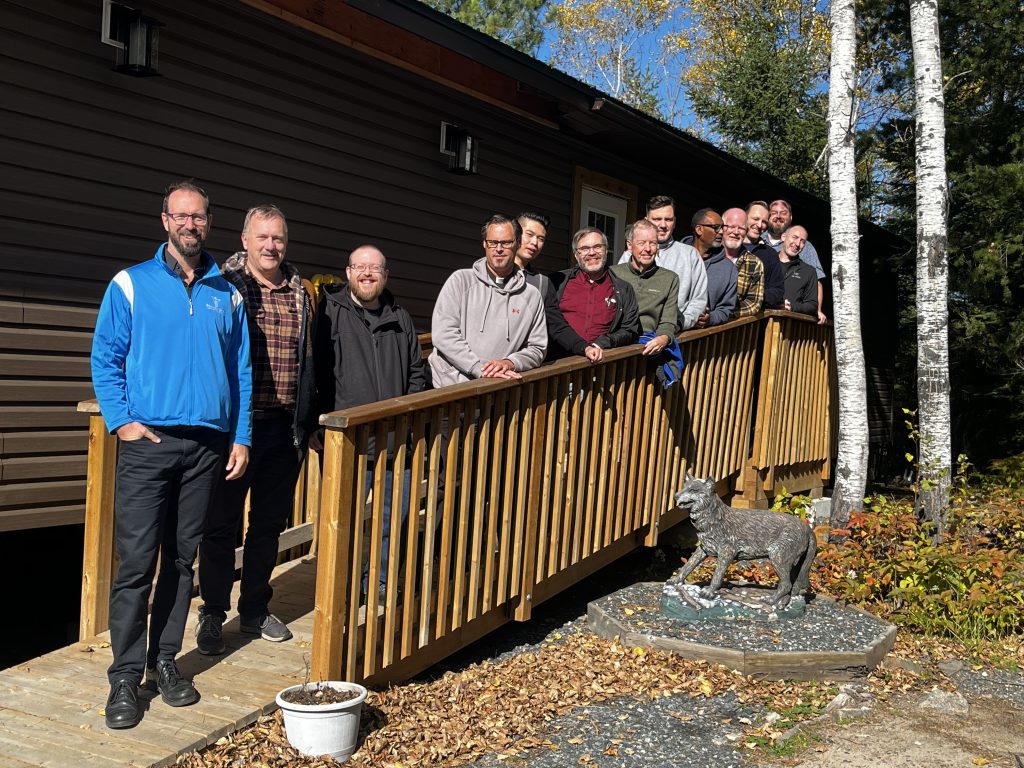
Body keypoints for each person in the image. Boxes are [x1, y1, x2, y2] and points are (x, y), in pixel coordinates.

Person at [90, 180, 252, 729]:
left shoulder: (225, 292)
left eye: (199, 217)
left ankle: (165, 662)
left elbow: (242, 372)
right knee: (136, 565)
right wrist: (122, 422)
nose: (191, 225)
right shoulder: (130, 284)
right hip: (149, 444)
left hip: (206, 446)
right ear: (165, 220)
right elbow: (105, 358)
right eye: (181, 216)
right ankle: (124, 677)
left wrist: (241, 435)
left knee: (182, 562)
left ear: (209, 223)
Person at [196, 205, 317, 655]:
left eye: (279, 239)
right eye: (263, 238)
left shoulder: (301, 293)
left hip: (283, 429)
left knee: (267, 526)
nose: (271, 246)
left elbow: (311, 360)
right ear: (244, 240)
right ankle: (211, 612)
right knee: (220, 525)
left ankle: (253, 609)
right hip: (233, 429)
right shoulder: (224, 287)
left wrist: (308, 420)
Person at [313, 245, 428, 601]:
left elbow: (416, 375)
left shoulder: (401, 318)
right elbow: (315, 371)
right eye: (360, 267)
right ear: (347, 272)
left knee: (395, 520)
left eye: (374, 268)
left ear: (385, 275)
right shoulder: (329, 313)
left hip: (396, 440)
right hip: (348, 440)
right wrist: (315, 424)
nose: (367, 274)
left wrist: (408, 423)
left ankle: (378, 582)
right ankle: (342, 586)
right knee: (342, 520)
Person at [428, 215, 547, 386]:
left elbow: (537, 348)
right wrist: (479, 368)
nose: (498, 248)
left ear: (517, 243)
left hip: (497, 390)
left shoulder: (531, 295)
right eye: (493, 242)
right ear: (484, 243)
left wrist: (510, 363)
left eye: (506, 242)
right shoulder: (461, 281)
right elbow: (444, 334)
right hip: (449, 387)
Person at [546, 227, 640, 361]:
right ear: (576, 254)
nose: (591, 253)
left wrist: (604, 342)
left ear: (606, 250)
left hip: (600, 365)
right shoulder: (557, 282)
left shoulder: (623, 289)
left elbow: (630, 329)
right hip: (559, 365)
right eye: (584, 248)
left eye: (597, 247)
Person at [617, 195, 707, 330]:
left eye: (668, 219)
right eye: (657, 219)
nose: (663, 225)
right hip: (631, 335)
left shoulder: (690, 255)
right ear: (646, 221)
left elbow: (698, 300)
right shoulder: (629, 255)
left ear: (675, 222)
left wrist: (679, 324)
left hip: (675, 336)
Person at [610, 219, 679, 356]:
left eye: (653, 243)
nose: (648, 249)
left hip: (648, 347)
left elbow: (668, 321)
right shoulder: (613, 274)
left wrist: (663, 338)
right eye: (641, 243)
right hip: (614, 346)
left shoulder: (670, 278)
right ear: (630, 246)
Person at [764, 199, 827, 322]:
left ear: (790, 217)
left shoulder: (807, 247)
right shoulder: (757, 237)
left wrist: (817, 310)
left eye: (783, 213)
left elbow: (816, 283)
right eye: (774, 213)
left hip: (788, 318)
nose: (778, 216)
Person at [682, 209, 737, 328]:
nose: (721, 232)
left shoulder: (729, 269)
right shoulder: (676, 256)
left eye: (722, 227)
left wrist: (711, 318)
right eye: (716, 227)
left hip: (702, 339)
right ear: (699, 229)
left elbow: (727, 309)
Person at [721, 207, 764, 318]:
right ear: (721, 227)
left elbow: (754, 303)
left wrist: (725, 313)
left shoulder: (754, 263)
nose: (736, 232)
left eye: (741, 228)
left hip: (730, 327)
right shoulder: (708, 254)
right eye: (731, 226)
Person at [743, 200, 785, 309]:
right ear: (744, 217)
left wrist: (752, 296)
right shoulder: (729, 246)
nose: (759, 225)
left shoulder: (770, 254)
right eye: (755, 219)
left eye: (764, 222)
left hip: (752, 321)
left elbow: (778, 292)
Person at [778, 225, 821, 320]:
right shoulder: (769, 262)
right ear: (783, 237)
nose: (797, 243)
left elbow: (812, 306)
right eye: (795, 237)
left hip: (789, 327)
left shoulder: (808, 271)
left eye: (803, 241)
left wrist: (791, 307)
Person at [514, 211, 552, 297]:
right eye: (529, 234)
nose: (535, 242)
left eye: (541, 239)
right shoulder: (489, 272)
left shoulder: (543, 284)